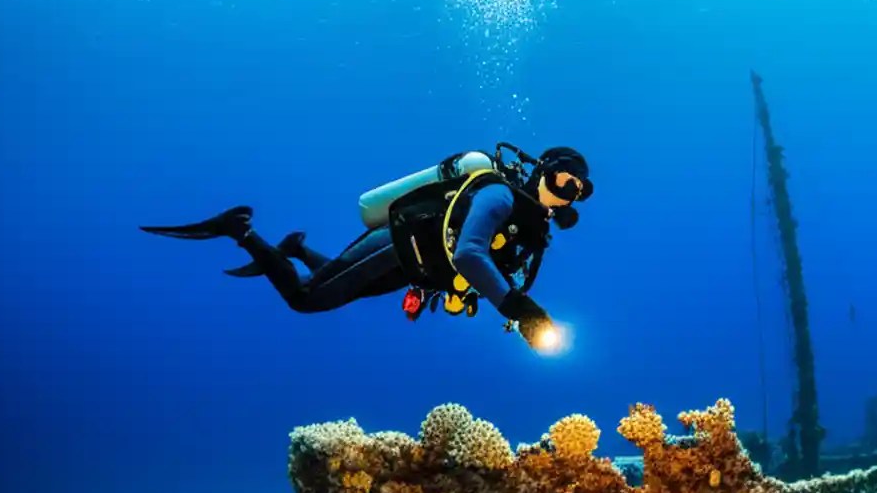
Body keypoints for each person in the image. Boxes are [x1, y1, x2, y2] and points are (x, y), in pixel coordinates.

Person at [139, 143, 593, 351]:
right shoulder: (500, 195)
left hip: (415, 270)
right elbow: (470, 253)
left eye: (575, 190)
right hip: (399, 245)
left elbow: (485, 273)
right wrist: (523, 312)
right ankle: (239, 228)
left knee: (329, 285)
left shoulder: (532, 233)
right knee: (306, 298)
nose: (565, 193)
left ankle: (296, 247)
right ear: (542, 172)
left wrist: (518, 316)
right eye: (561, 180)